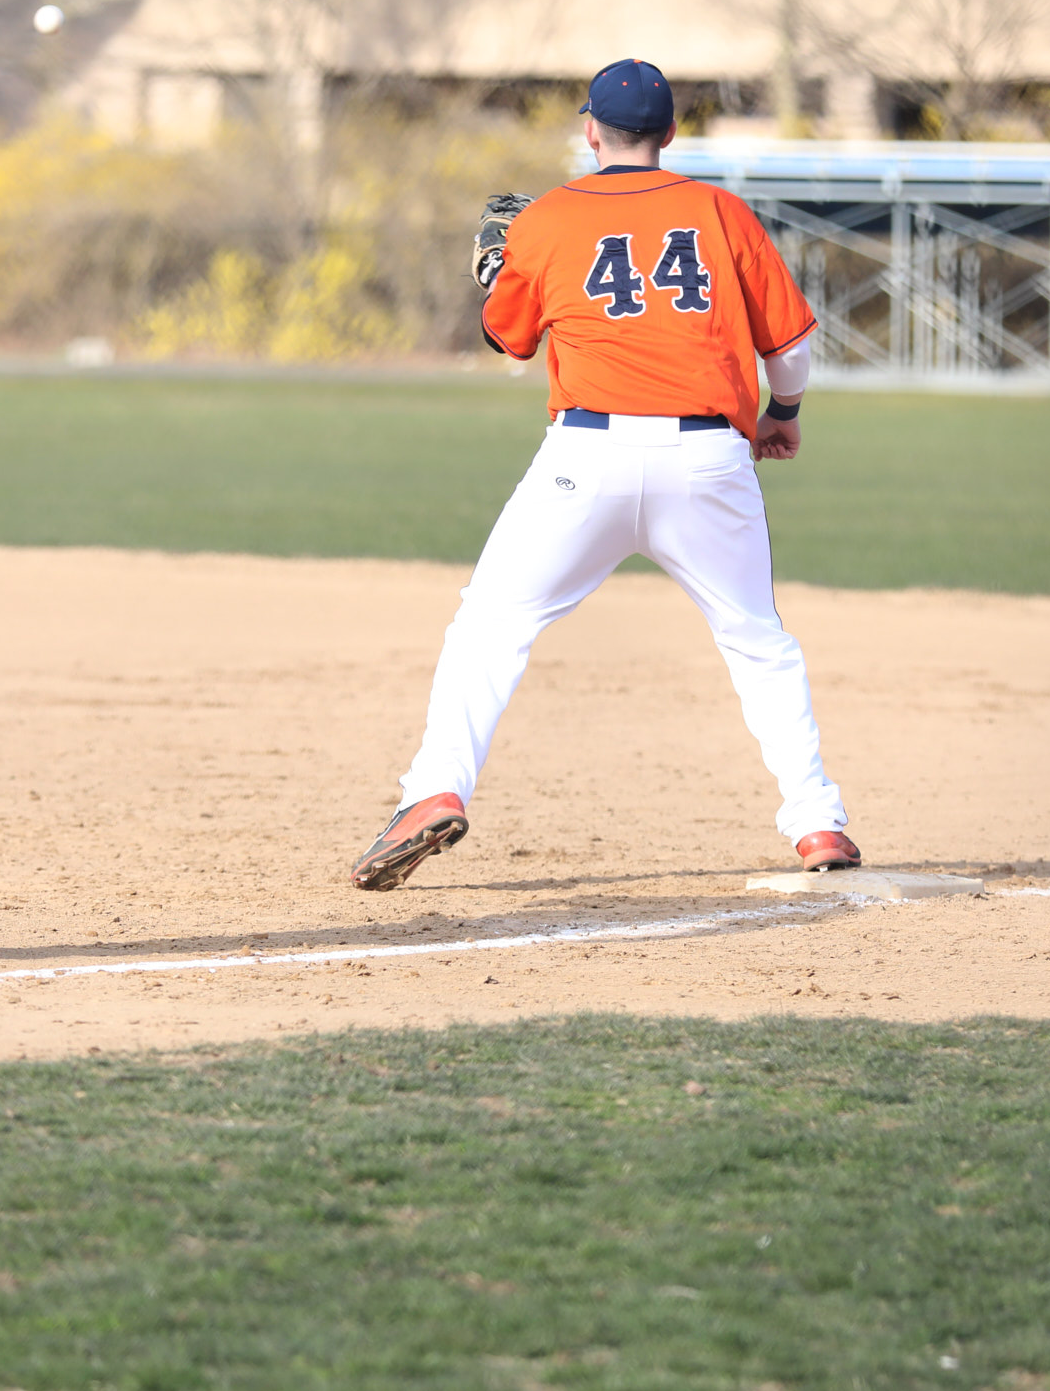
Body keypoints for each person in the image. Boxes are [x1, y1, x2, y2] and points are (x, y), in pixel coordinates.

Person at [348, 58, 860, 890]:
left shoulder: (550, 218)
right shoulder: (719, 210)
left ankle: (433, 789)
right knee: (757, 642)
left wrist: (495, 277)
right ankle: (817, 824)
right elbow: (790, 348)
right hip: (709, 459)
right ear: (670, 133)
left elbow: (508, 338)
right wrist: (786, 414)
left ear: (591, 131)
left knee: (491, 626)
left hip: (586, 459)